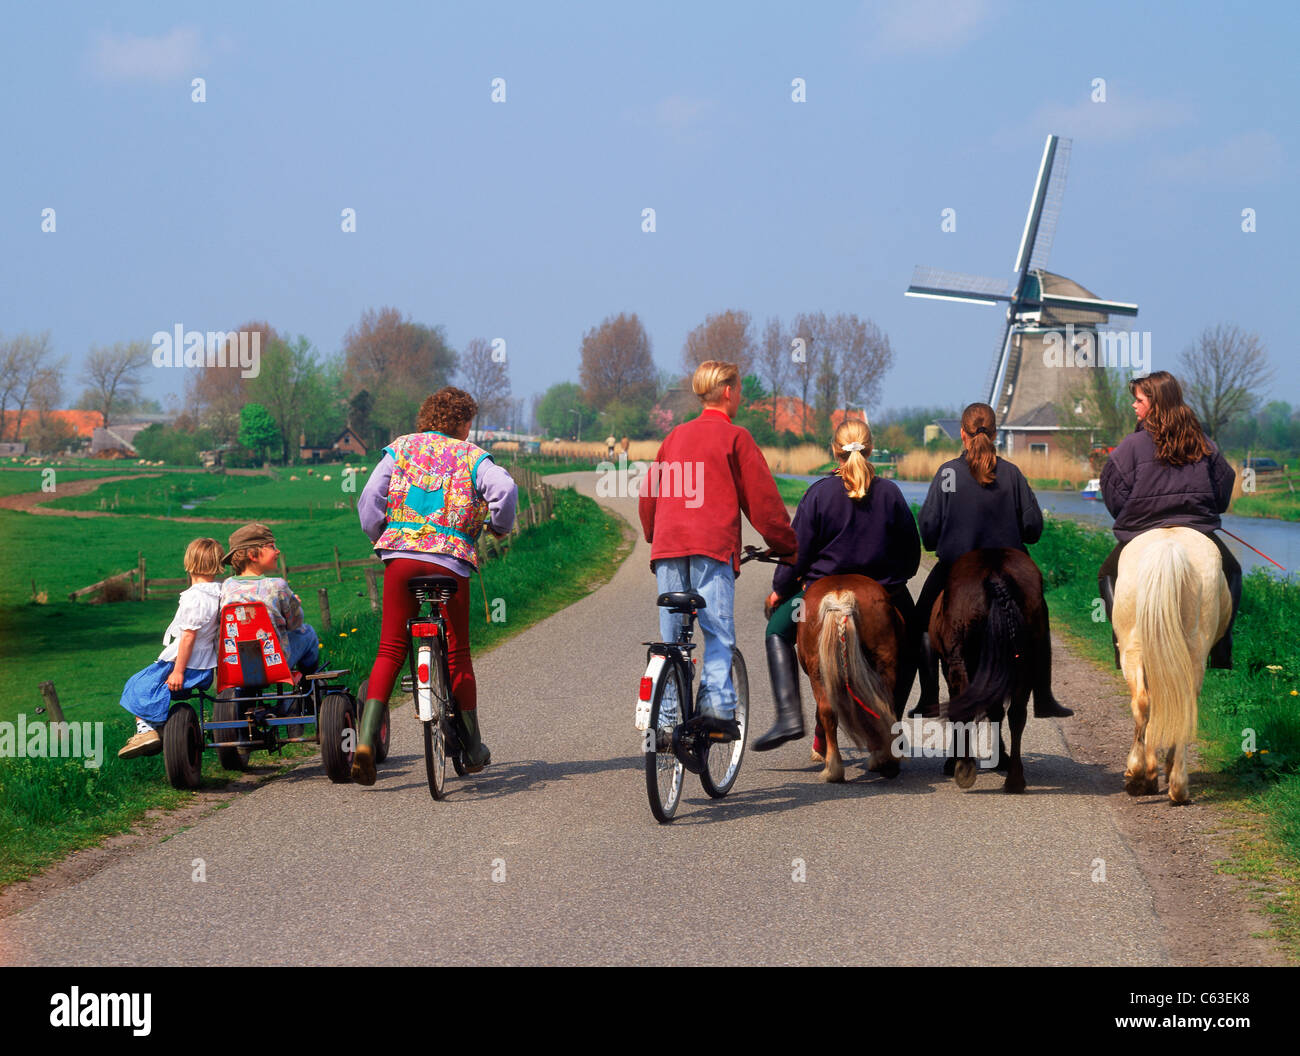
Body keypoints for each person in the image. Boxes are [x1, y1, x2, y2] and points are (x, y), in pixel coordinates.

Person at [356, 386, 518, 784]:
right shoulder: (471, 455)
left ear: (427, 417)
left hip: (401, 559)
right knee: (458, 652)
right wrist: (498, 526)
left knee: (391, 649)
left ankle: (363, 741)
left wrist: (385, 535)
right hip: (451, 563)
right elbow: (506, 490)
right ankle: (475, 745)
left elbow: (368, 501)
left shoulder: (400, 449)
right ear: (463, 422)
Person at [638, 359, 797, 740]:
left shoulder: (674, 437)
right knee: (717, 633)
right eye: (739, 390)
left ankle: (664, 727)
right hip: (712, 548)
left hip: (668, 547)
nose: (739, 397)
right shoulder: (735, 438)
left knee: (672, 641)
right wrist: (786, 546)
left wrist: (654, 535)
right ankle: (715, 713)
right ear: (728, 391)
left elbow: (649, 496)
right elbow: (763, 503)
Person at [754, 417, 920, 751]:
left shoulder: (817, 493)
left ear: (834, 450)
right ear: (871, 449)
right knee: (915, 641)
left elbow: (796, 553)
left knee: (776, 630)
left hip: (820, 590)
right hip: (882, 588)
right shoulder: (889, 492)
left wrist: (780, 590)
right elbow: (911, 554)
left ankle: (789, 717)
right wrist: (891, 582)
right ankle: (893, 727)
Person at [912, 402, 1072, 718]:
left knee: (920, 623)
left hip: (957, 566)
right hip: (1010, 571)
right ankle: (1043, 695)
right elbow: (1032, 529)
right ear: (996, 434)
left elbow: (928, 532)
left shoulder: (948, 474)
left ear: (962, 434)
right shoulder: (1012, 474)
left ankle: (929, 695)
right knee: (1040, 615)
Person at [1098, 370, 1239, 668]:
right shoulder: (1203, 443)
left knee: (1107, 575)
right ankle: (1222, 647)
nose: (1134, 406)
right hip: (1197, 530)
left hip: (1141, 531)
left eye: (1138, 400)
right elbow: (1224, 487)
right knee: (1232, 572)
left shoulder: (1130, 447)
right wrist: (1206, 509)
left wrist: (1131, 514)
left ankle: (1120, 642)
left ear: (1155, 403)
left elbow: (1113, 495)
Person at [117, 538, 224, 759]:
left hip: (188, 665)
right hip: (205, 667)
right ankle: (157, 727)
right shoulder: (219, 592)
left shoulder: (195, 597)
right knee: (148, 685)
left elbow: (188, 638)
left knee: (139, 685)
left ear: (189, 562)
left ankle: (147, 731)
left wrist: (178, 671)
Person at [219, 523, 321, 675]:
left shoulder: (227, 586)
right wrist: (295, 606)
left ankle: (243, 694)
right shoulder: (277, 586)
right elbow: (295, 623)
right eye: (272, 546)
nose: (278, 551)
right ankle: (308, 684)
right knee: (308, 633)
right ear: (253, 556)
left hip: (237, 664)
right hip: (273, 662)